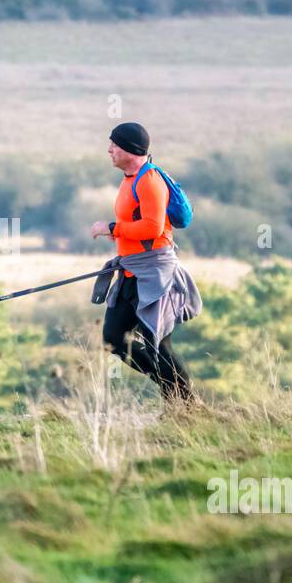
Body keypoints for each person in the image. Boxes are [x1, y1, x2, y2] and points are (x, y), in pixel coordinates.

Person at [90, 121, 200, 403]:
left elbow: (152, 228)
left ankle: (184, 403)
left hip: (154, 272)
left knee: (159, 345)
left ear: (130, 149)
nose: (109, 149)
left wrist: (111, 229)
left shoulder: (150, 181)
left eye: (114, 144)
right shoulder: (130, 180)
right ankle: (175, 393)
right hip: (131, 270)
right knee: (114, 338)